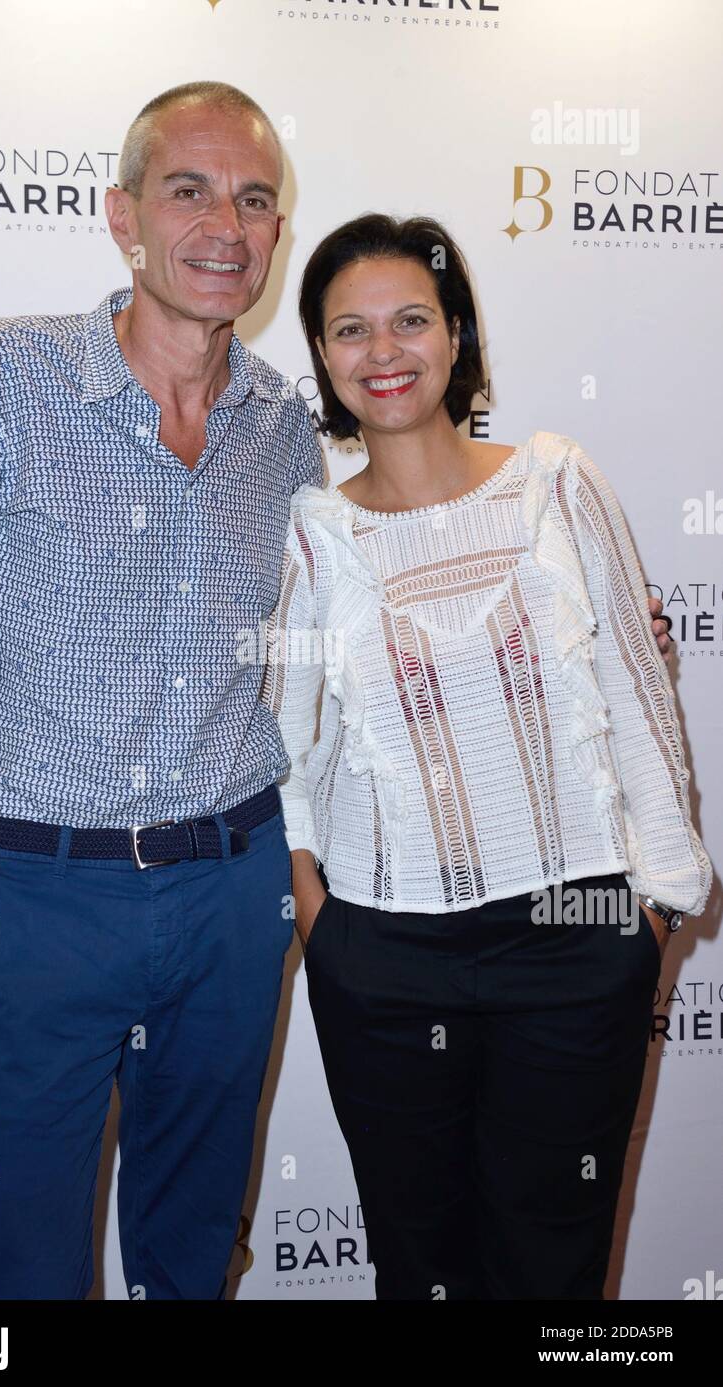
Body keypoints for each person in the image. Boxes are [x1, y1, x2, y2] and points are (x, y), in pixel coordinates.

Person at [0, 81, 324, 1301]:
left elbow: (347, 644)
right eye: (190, 190)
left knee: (190, 1255)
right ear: (121, 215)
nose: (225, 224)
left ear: (278, 232)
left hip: (235, 894)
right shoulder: (4, 378)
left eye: (254, 199)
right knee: (12, 1276)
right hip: (37, 898)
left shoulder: (287, 428)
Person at [263, 212, 711, 1300]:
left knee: (553, 1266)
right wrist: (327, 922)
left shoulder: (555, 481)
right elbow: (287, 751)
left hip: (574, 931)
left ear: (455, 333)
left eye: (409, 319)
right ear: (321, 355)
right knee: (419, 1271)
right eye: (349, 329)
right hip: (383, 950)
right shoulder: (314, 532)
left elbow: (636, 697)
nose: (383, 352)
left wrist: (649, 905)